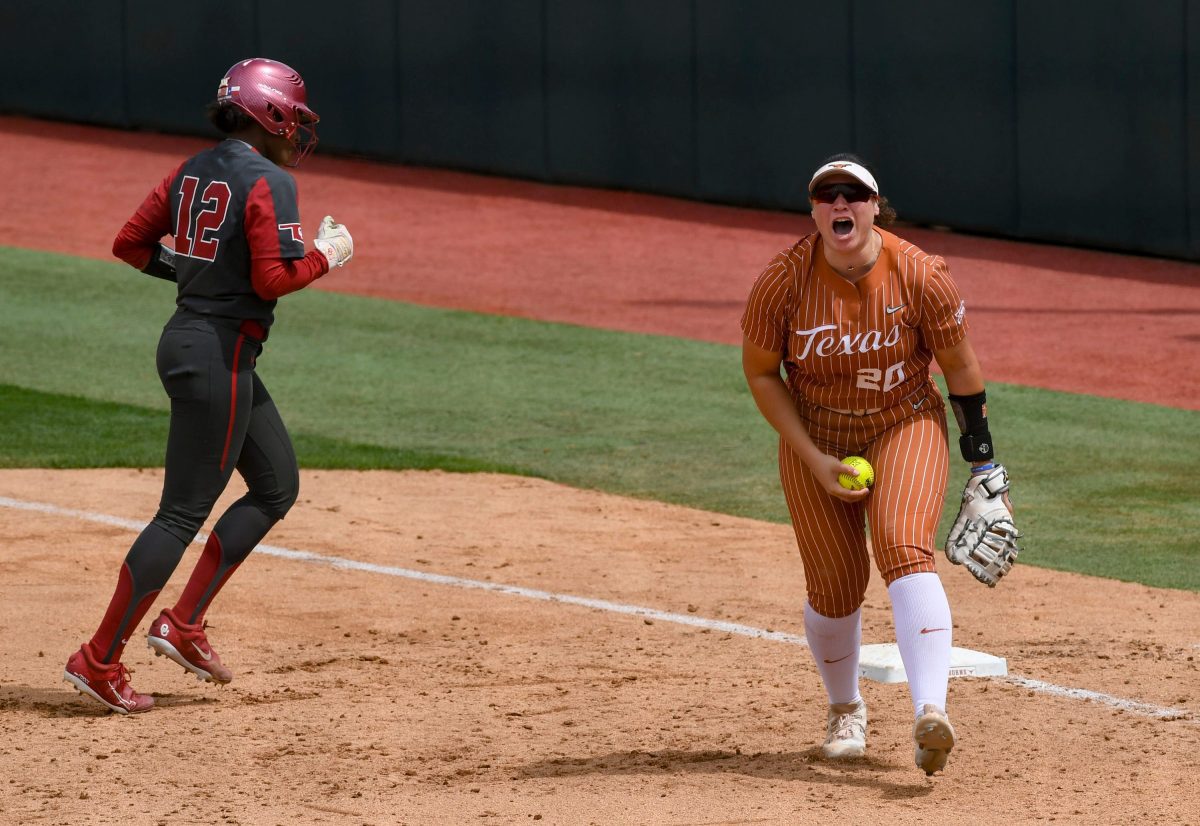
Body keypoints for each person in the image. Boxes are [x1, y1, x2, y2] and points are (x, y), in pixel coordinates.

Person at [63, 58, 355, 714]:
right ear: (271, 115)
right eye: (294, 118)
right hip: (216, 355)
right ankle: (100, 659)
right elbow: (274, 281)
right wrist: (327, 256)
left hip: (200, 345)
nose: (298, 132)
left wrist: (201, 275)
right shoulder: (268, 181)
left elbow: (131, 246)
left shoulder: (190, 169)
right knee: (180, 513)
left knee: (278, 484)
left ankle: (183, 624)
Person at [740, 153, 1013, 775]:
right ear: (812, 210)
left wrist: (983, 465)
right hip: (816, 432)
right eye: (826, 195)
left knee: (901, 547)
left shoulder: (919, 273)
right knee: (835, 586)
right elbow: (760, 373)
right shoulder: (782, 283)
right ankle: (845, 709)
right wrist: (812, 458)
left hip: (903, 421)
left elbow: (962, 370)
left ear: (873, 205)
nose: (841, 204)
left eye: (853, 194)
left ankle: (930, 713)